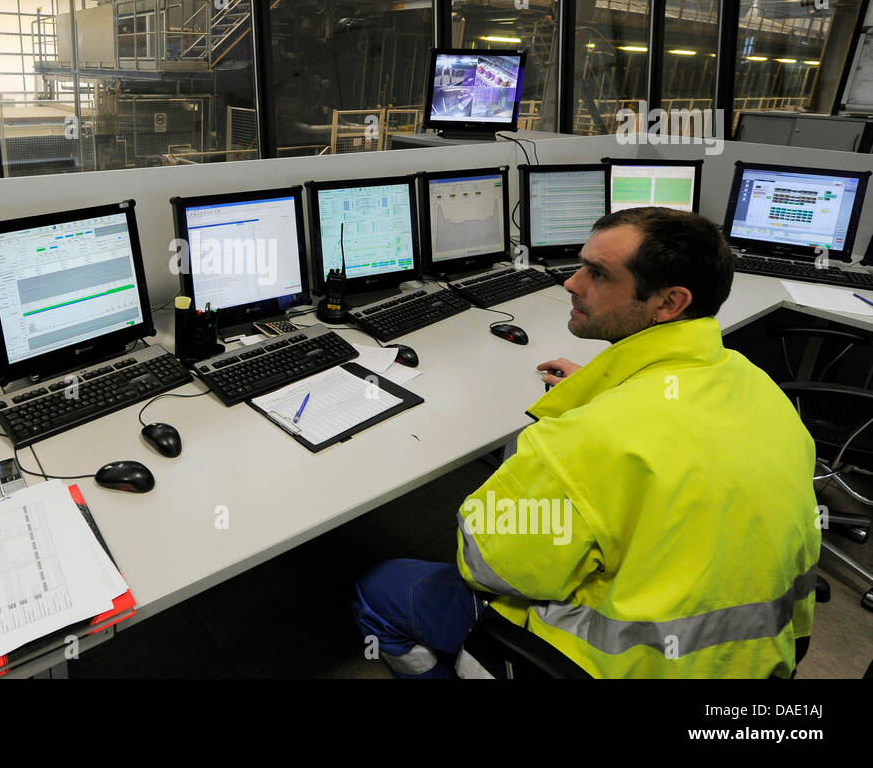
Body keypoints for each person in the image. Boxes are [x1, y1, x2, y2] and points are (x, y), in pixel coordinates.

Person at [352, 207, 821, 678]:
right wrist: (606, 389)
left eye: (597, 274)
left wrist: (565, 439)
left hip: (617, 662)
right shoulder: (757, 387)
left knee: (380, 588)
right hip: (756, 660)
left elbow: (486, 567)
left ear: (669, 303)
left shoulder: (594, 435)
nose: (571, 284)